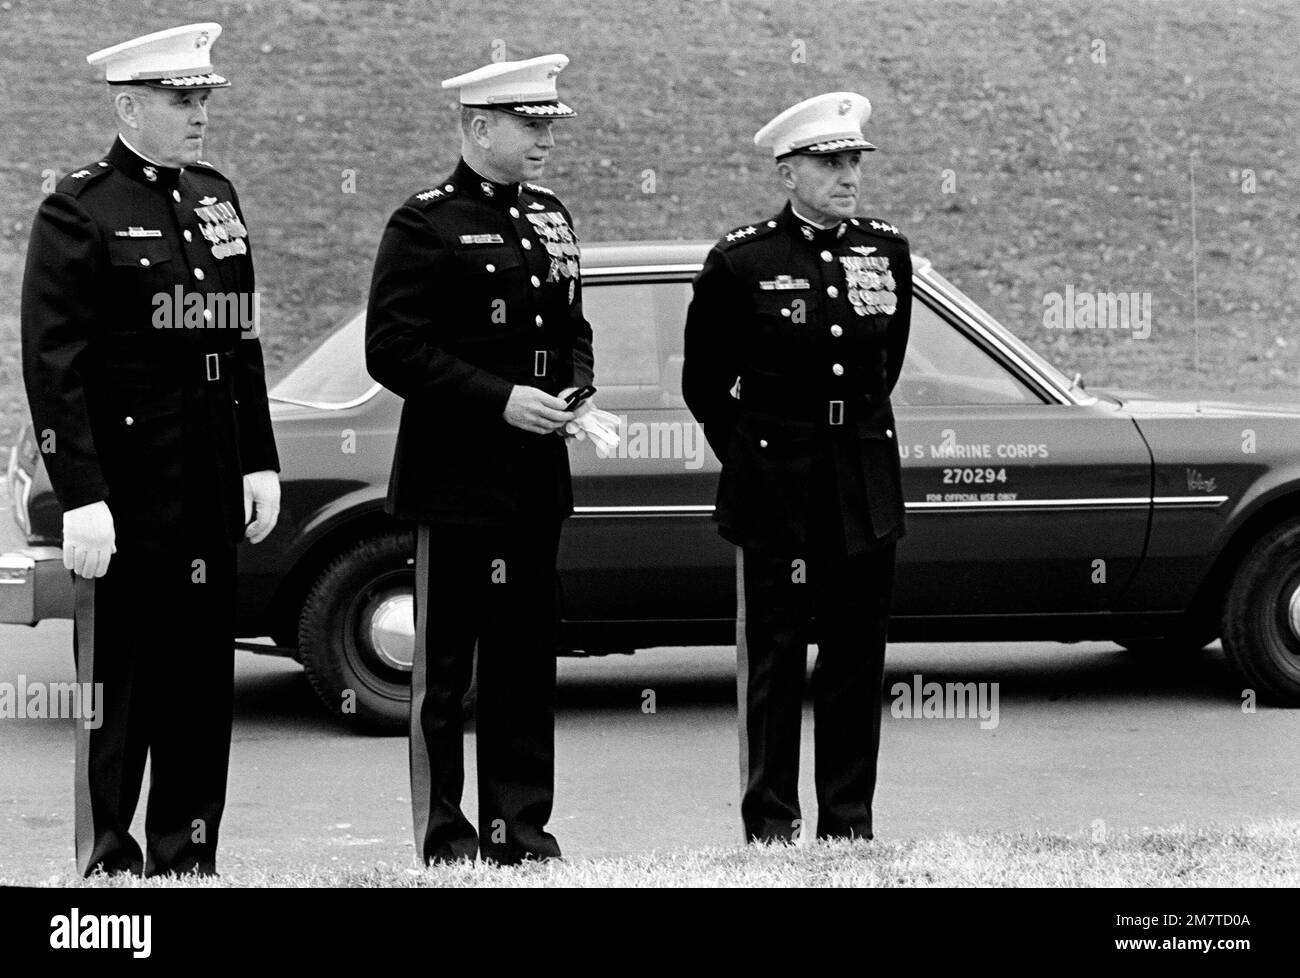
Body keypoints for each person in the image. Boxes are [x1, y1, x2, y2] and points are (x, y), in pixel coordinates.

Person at [20, 23, 281, 876]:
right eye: (182, 98)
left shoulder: (216, 196)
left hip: (208, 483)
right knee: (120, 690)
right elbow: (53, 365)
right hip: (126, 497)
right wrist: (81, 492)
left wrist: (258, 457)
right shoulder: (79, 207)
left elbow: (239, 342)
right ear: (130, 104)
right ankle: (108, 854)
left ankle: (189, 853)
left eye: (204, 97)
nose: (199, 112)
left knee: (202, 687)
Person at [365, 54, 595, 865]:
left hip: (534, 481)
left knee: (525, 667)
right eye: (531, 125)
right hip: (456, 481)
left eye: (549, 126)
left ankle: (522, 832)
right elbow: (391, 349)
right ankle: (447, 837)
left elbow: (571, 326)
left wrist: (577, 390)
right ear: (479, 127)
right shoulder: (423, 222)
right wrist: (499, 399)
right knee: (446, 676)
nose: (544, 140)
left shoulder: (552, 216)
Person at [683, 92, 912, 844]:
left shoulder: (885, 249)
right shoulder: (742, 259)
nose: (848, 175)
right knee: (777, 662)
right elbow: (705, 385)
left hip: (862, 483)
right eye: (829, 161)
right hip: (777, 486)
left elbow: (888, 361)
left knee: (856, 657)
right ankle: (772, 825)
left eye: (853, 160)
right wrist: (756, 457)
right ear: (788, 172)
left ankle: (849, 825)